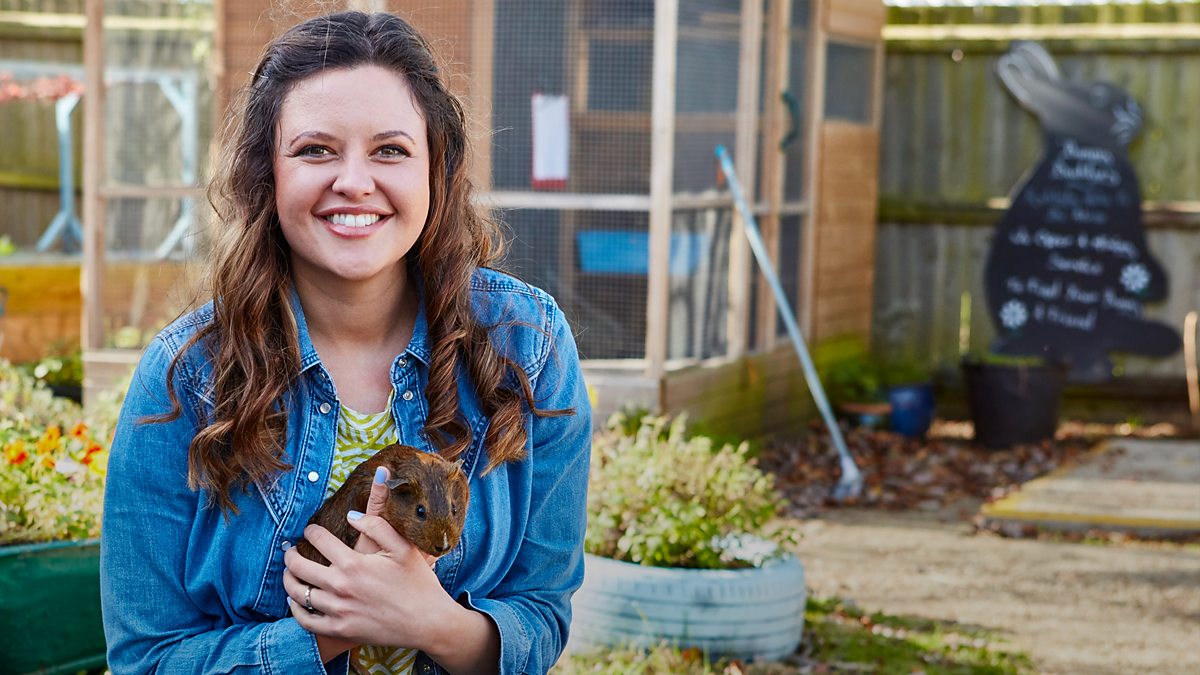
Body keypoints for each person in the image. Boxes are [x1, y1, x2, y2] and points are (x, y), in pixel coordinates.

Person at [99, 11, 591, 675]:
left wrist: (433, 621)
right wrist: (323, 635)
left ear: (435, 169)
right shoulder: (186, 378)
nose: (354, 181)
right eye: (315, 150)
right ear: (266, 174)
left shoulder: (527, 347)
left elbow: (542, 613)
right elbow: (146, 659)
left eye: (389, 150)